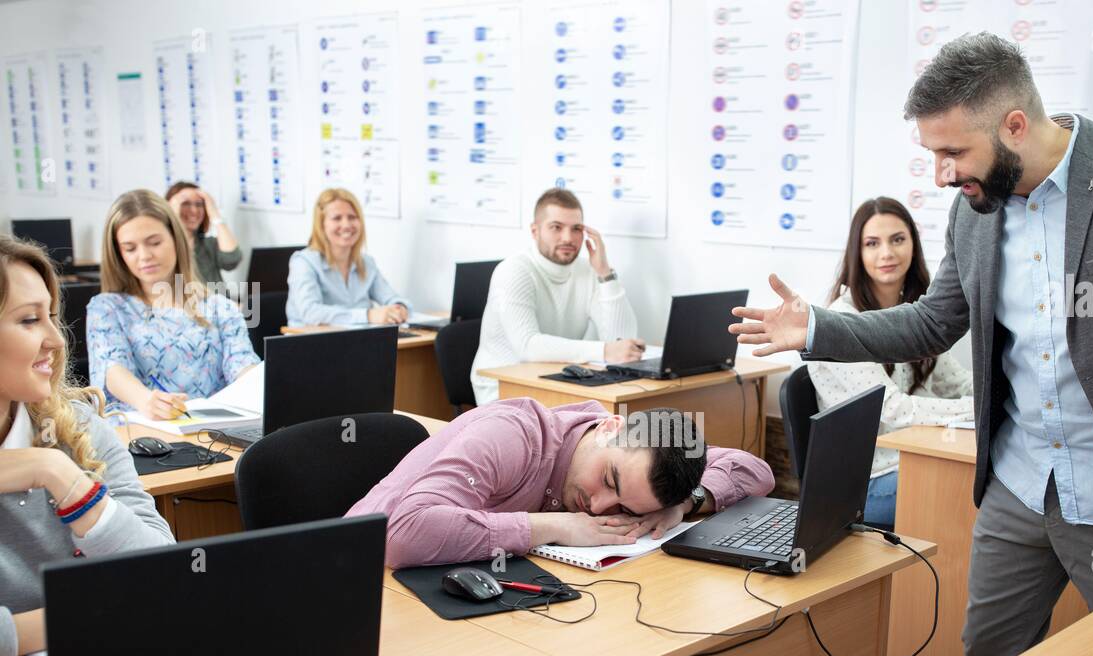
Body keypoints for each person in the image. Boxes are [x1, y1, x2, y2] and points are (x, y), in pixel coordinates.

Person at [729, 33, 1093, 656]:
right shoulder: (973, 210)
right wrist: (818, 329)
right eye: (933, 154)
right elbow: (934, 321)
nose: (942, 174)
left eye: (954, 152)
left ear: (1015, 126)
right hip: (1017, 483)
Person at [0, 234, 174, 656]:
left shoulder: (77, 430)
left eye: (51, 317)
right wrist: (88, 612)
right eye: (28, 321)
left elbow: (163, 577)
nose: (56, 341)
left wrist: (60, 474)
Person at [347, 400, 773, 568]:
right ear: (610, 426)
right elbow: (401, 535)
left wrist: (683, 504)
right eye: (609, 479)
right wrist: (550, 527)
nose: (598, 506)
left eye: (626, 508)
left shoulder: (646, 454)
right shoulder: (513, 436)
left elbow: (755, 470)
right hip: (363, 579)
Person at [808, 197, 974, 527]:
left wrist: (1005, 399)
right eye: (872, 244)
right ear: (857, 253)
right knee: (973, 486)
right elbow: (893, 410)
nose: (887, 253)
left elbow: (955, 382)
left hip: (911, 460)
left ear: (913, 244)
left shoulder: (917, 316)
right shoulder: (840, 323)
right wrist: (977, 411)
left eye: (897, 240)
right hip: (866, 484)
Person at [87, 189, 260, 421]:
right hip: (140, 435)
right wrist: (145, 400)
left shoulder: (220, 307)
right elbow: (113, 369)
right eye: (130, 248)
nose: (144, 255)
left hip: (211, 434)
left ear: (176, 240)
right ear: (119, 254)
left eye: (155, 242)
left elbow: (242, 364)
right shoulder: (106, 308)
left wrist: (259, 383)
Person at [470, 188, 642, 405]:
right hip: (503, 390)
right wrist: (605, 350)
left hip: (556, 382)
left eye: (576, 229)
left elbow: (622, 342)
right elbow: (528, 346)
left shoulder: (588, 270)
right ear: (535, 231)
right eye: (556, 227)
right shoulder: (514, 270)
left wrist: (605, 273)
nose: (568, 238)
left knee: (621, 425)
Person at [286, 188, 411, 327]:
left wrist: (399, 308)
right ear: (321, 225)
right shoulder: (304, 263)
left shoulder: (366, 263)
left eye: (352, 217)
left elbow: (391, 297)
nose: (346, 225)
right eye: (337, 218)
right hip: (309, 343)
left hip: (357, 341)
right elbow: (311, 313)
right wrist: (368, 315)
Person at [165, 181, 242, 286]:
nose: (194, 210)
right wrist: (172, 216)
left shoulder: (208, 244)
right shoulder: (162, 247)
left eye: (199, 204)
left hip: (217, 301)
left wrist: (214, 214)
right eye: (185, 203)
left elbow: (232, 260)